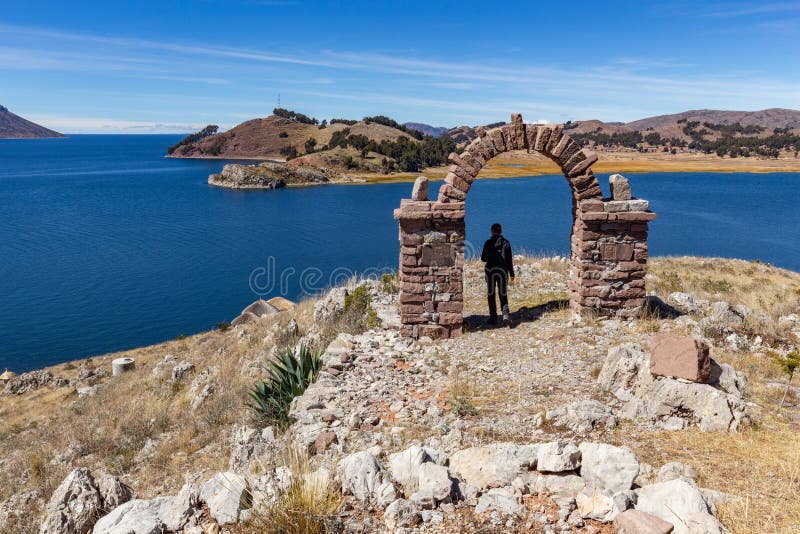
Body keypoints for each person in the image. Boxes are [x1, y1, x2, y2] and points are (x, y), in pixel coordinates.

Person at [481, 223, 514, 325]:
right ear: (501, 231)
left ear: (492, 231)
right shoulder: (506, 243)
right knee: (503, 293)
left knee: (491, 294)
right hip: (502, 271)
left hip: (490, 271)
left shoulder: (488, 243)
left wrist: (491, 258)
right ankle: (505, 315)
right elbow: (509, 260)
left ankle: (493, 318)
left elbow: (483, 258)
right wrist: (512, 273)